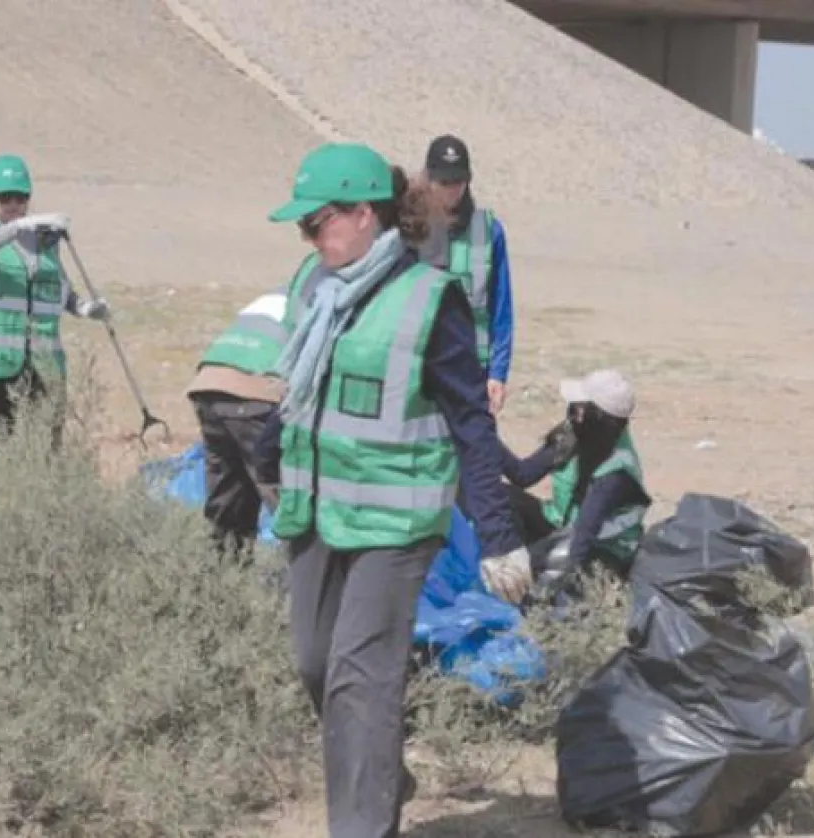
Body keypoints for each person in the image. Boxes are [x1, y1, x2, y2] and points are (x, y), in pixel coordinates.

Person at [253, 141, 531, 838]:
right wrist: (263, 464)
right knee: (316, 662)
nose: (308, 238)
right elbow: (295, 392)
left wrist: (498, 536)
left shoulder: (428, 301)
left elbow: (471, 421)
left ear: (364, 213)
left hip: (396, 525)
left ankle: (361, 824)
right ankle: (381, 772)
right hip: (316, 512)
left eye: (316, 223)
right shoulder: (314, 286)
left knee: (360, 675)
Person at [0, 153, 110, 442]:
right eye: (5, 197)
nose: (13, 205)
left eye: (20, 198)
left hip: (42, 360)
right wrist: (16, 229)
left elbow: (56, 287)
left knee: (47, 442)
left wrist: (83, 307)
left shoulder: (43, 241)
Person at [503, 369, 651, 584]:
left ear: (597, 416)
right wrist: (483, 438)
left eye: (580, 407)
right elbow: (523, 475)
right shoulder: (573, 435)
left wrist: (559, 578)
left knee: (537, 567)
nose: (573, 411)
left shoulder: (616, 471)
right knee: (501, 496)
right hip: (562, 523)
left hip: (603, 546)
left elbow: (584, 535)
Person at [185, 287, 290, 559]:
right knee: (288, 502)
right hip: (255, 389)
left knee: (228, 501)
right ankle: (310, 591)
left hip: (209, 384)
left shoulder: (278, 295)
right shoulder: (328, 294)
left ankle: (222, 586)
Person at [418, 134, 514, 416]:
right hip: (417, 365)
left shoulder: (489, 230)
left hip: (471, 370)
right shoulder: (410, 229)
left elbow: (501, 308)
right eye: (444, 183)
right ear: (428, 178)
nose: (452, 191)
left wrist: (498, 373)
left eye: (458, 182)